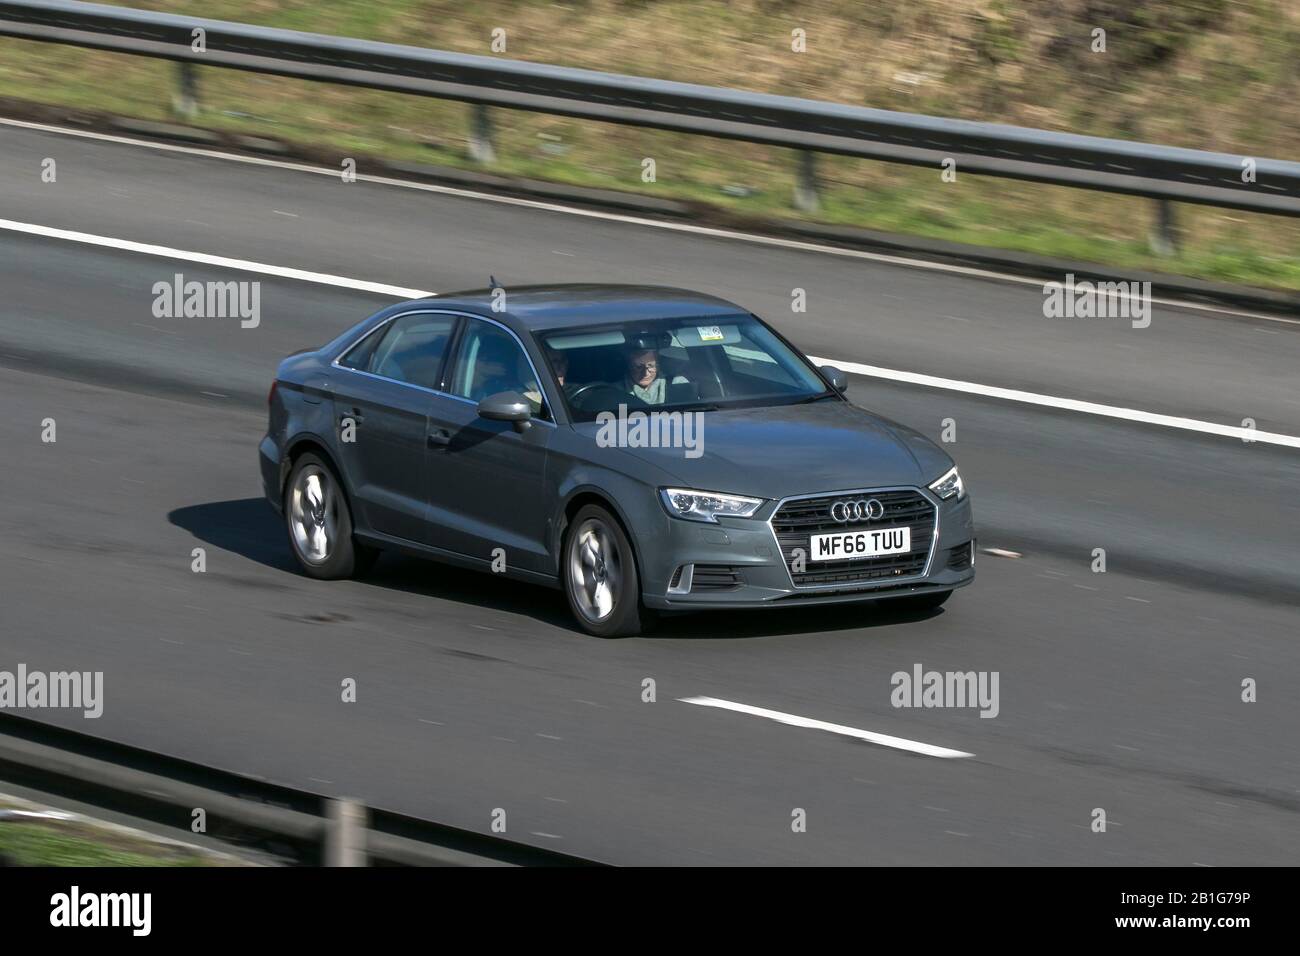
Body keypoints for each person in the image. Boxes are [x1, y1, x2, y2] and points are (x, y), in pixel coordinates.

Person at [623, 346, 688, 405]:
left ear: (658, 366)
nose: (645, 373)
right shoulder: (616, 390)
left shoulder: (677, 383)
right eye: (639, 367)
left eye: (651, 366)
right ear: (629, 366)